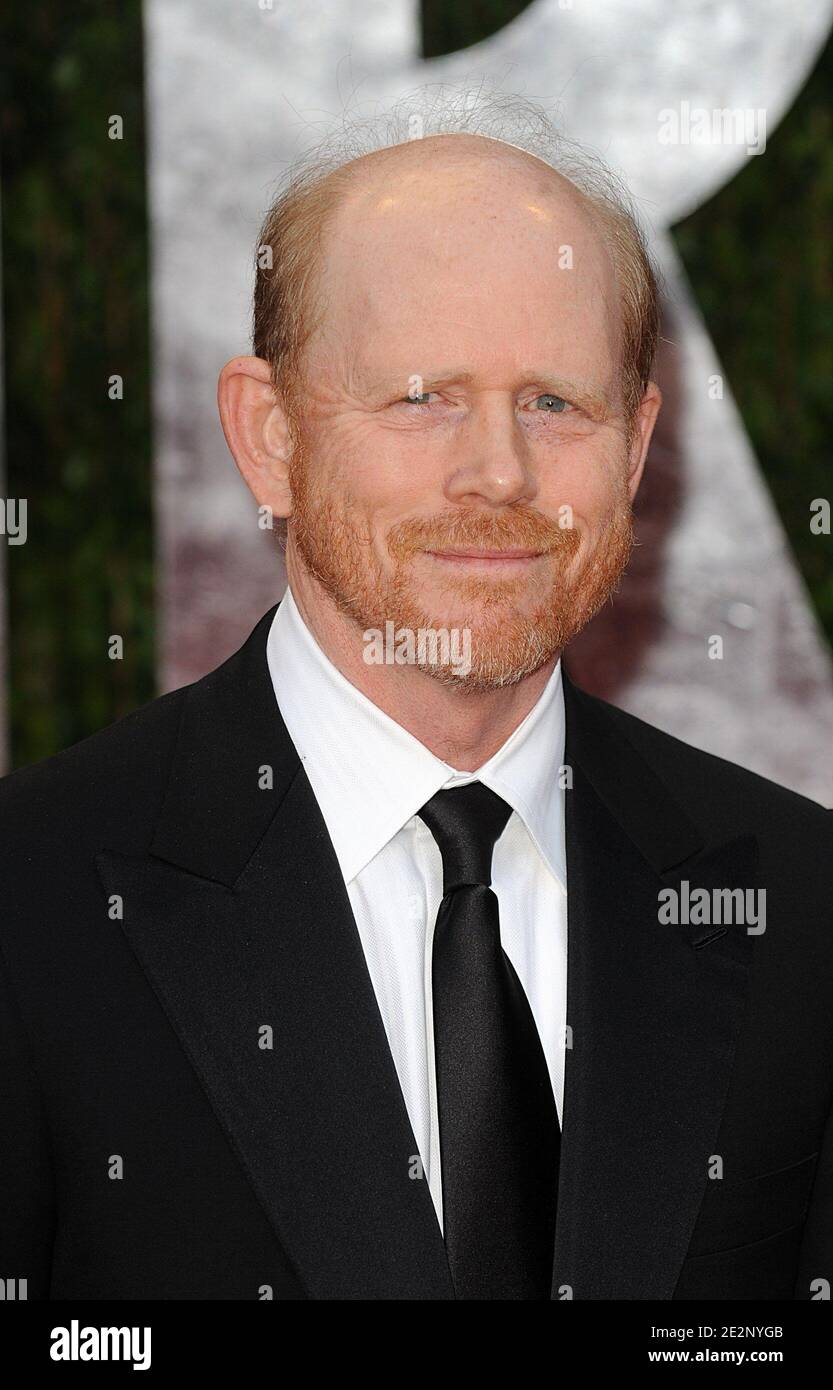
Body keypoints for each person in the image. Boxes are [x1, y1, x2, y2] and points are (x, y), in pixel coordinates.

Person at [1, 98, 831, 1301]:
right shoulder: (33, 902)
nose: (496, 471)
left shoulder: (798, 909)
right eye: (420, 396)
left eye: (554, 402)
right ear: (268, 435)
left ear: (638, 445)